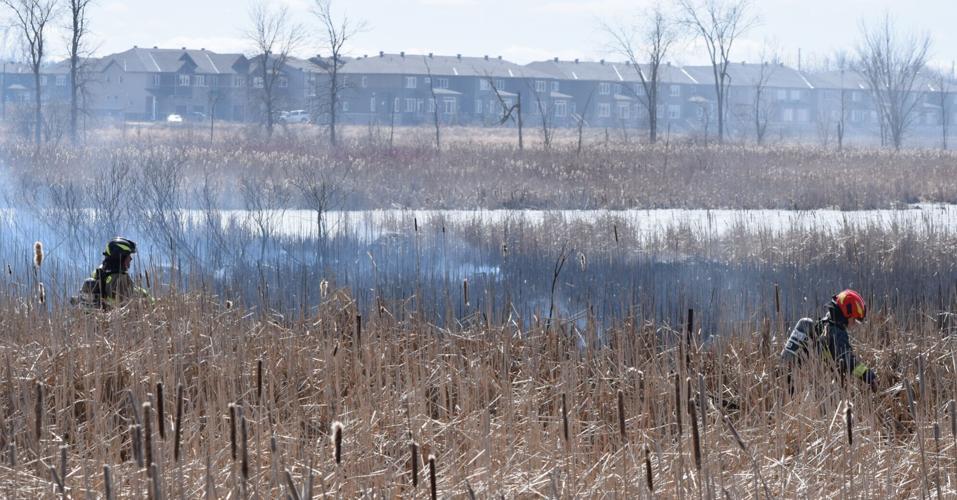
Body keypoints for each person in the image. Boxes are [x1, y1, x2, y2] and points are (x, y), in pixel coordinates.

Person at [781, 289, 877, 391]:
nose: (854, 324)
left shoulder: (822, 325)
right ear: (846, 314)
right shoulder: (837, 332)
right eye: (854, 319)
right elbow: (847, 361)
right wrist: (869, 376)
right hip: (808, 388)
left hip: (793, 383)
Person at [76, 237, 151, 309]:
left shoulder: (100, 273)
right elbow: (131, 301)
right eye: (128, 256)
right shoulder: (118, 279)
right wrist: (151, 301)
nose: (131, 259)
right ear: (119, 257)